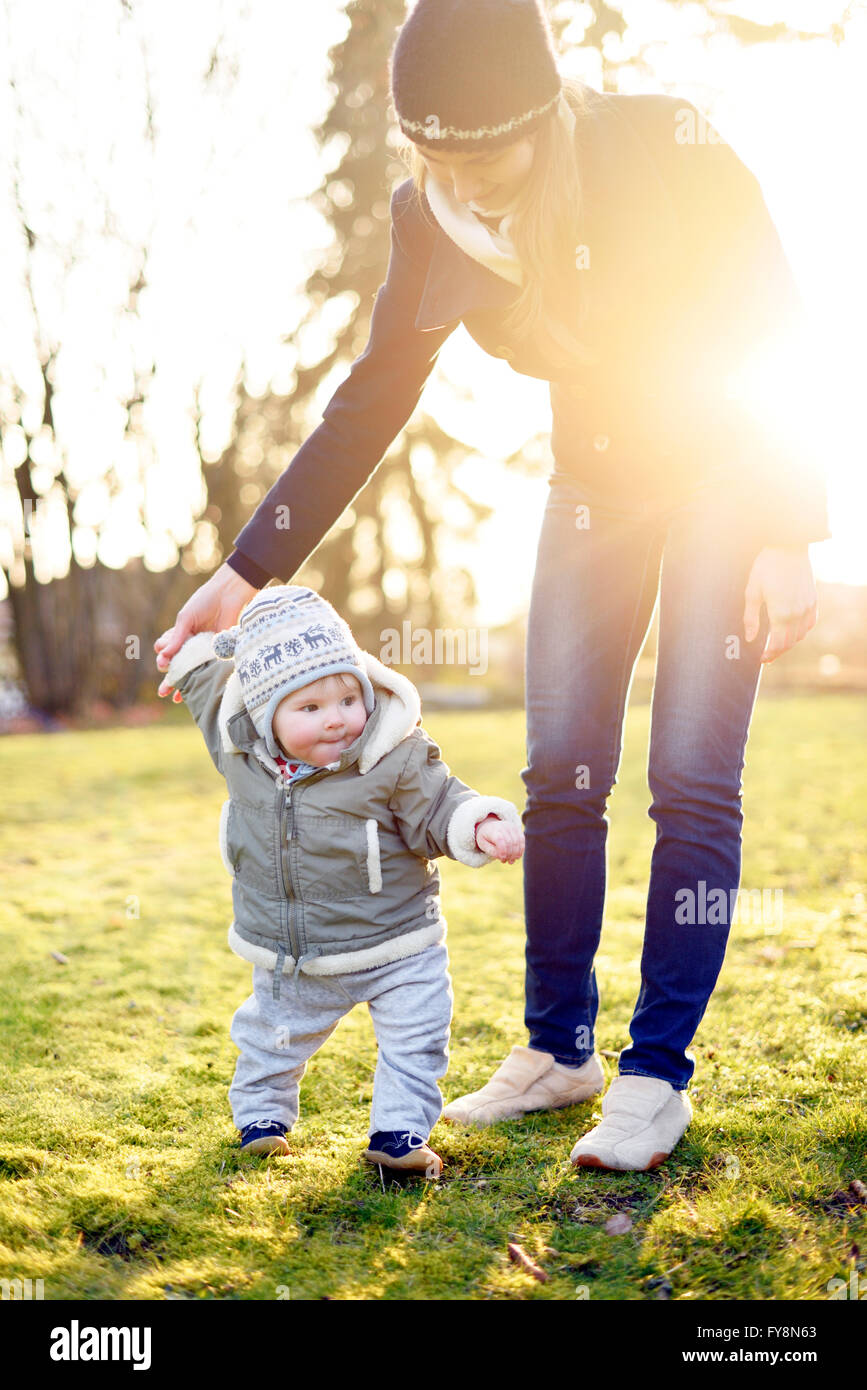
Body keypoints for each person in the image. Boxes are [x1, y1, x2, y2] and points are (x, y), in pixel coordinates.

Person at [156, 0, 829, 1172]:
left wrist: (791, 528)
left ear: (551, 113)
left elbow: (770, 320)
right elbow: (374, 395)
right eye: (443, 158)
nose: (473, 182)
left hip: (728, 473)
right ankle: (559, 1048)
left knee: (688, 775)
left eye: (494, 155)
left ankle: (656, 1073)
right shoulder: (433, 216)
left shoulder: (661, 143)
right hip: (595, 489)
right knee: (562, 772)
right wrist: (243, 568)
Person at [158, 583, 524, 1175]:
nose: (337, 720)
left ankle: (399, 1134)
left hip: (399, 946)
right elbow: (207, 691)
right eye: (310, 709)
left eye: (348, 699)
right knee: (271, 1036)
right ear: (263, 714)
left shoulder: (394, 755)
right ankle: (261, 1117)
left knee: (416, 1040)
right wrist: (184, 658)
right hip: (297, 952)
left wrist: (478, 823)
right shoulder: (238, 748)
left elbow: (438, 804)